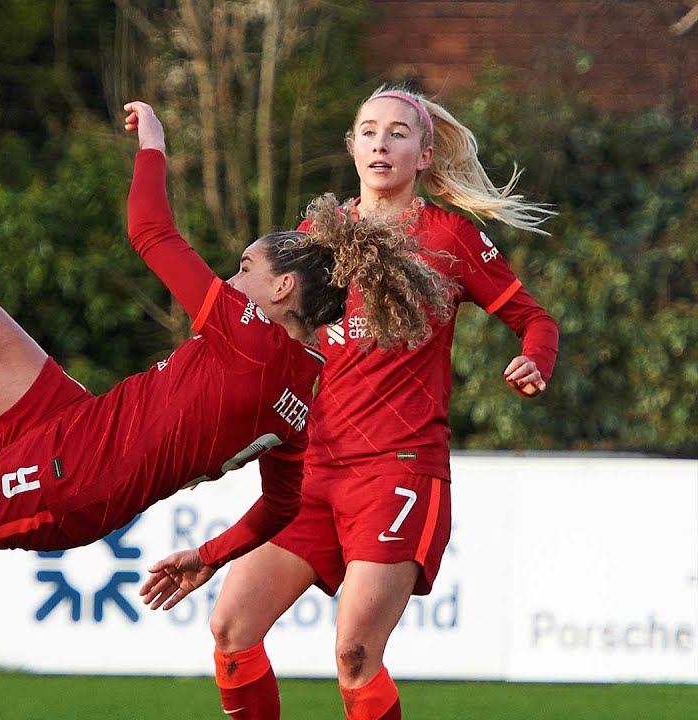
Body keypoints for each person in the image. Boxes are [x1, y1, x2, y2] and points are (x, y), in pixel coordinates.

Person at [0, 9, 453, 719]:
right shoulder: (304, 387)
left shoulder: (250, 332)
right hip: (80, 429)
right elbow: (282, 502)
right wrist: (210, 554)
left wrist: (153, 146)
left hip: (69, 478)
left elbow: (149, 230)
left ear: (280, 291)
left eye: (244, 269)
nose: (230, 279)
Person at [141, 87, 561, 720]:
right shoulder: (318, 238)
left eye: (397, 133)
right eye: (367, 131)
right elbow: (268, 331)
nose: (380, 144)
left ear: (423, 154)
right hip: (314, 471)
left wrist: (535, 359)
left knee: (355, 653)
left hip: (399, 468)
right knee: (230, 628)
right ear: (352, 148)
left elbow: (537, 321)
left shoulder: (451, 237)